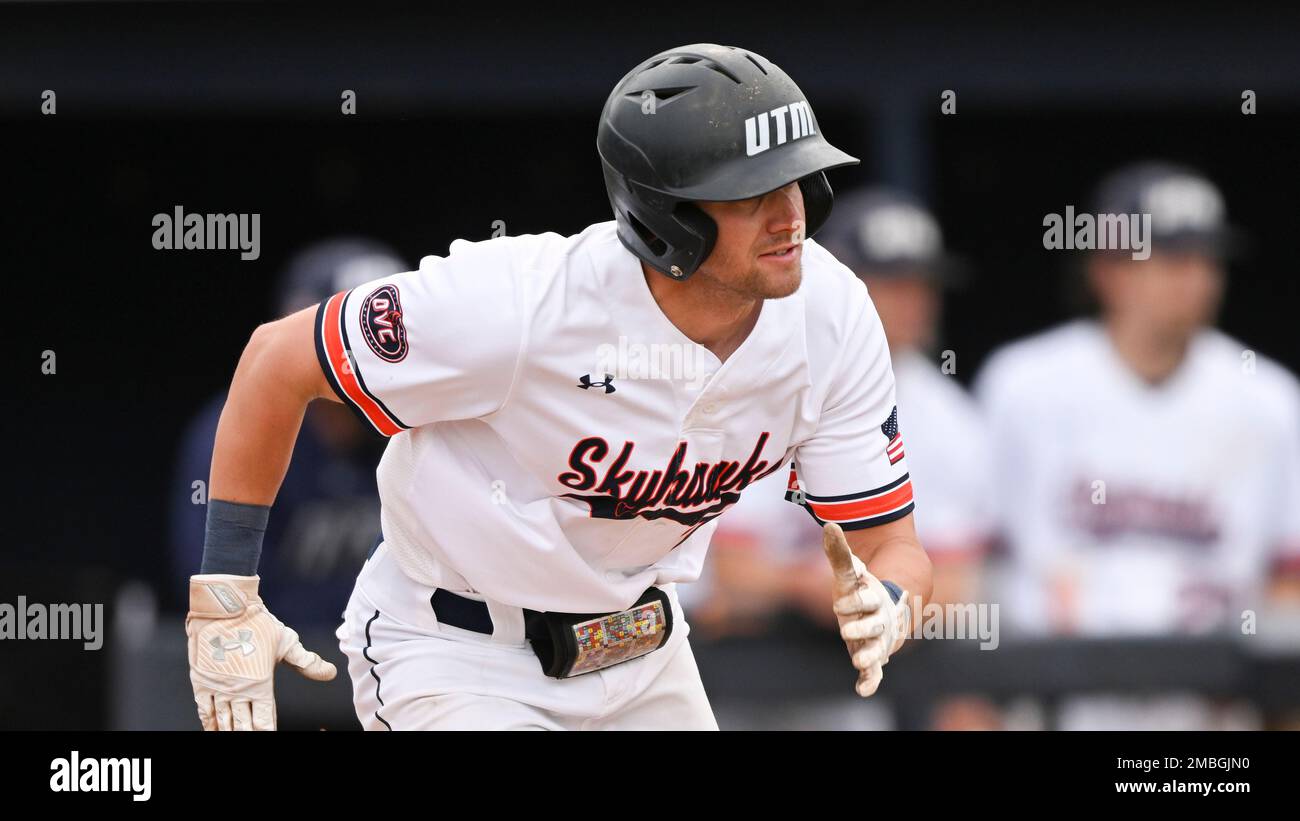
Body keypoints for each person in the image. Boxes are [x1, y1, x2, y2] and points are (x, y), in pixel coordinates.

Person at [184, 43, 932, 731]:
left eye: (797, 177)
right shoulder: (517, 305)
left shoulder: (830, 315)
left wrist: (891, 601)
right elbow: (278, 358)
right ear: (667, 216)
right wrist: (225, 597)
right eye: (751, 192)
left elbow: (894, 545)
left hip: (644, 650)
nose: (790, 213)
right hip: (459, 647)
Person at [974, 162, 1300, 728]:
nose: (1195, 279)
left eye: (1207, 259)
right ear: (1108, 270)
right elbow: (973, 566)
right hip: (1057, 707)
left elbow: (1288, 581)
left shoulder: (1267, 398)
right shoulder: (1023, 384)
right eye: (1172, 259)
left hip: (1210, 723)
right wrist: (972, 703)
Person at [688, 188, 993, 729]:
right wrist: (817, 587)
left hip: (863, 677)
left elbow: (952, 590)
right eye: (889, 282)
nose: (910, 301)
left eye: (921, 284)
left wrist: (865, 595)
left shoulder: (951, 418)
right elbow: (733, 575)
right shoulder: (755, 373)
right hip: (737, 670)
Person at [170, 238, 404, 626]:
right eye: (358, 332)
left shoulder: (423, 427)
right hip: (280, 664)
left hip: (395, 665)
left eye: (389, 333)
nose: (377, 348)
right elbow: (215, 591)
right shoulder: (234, 428)